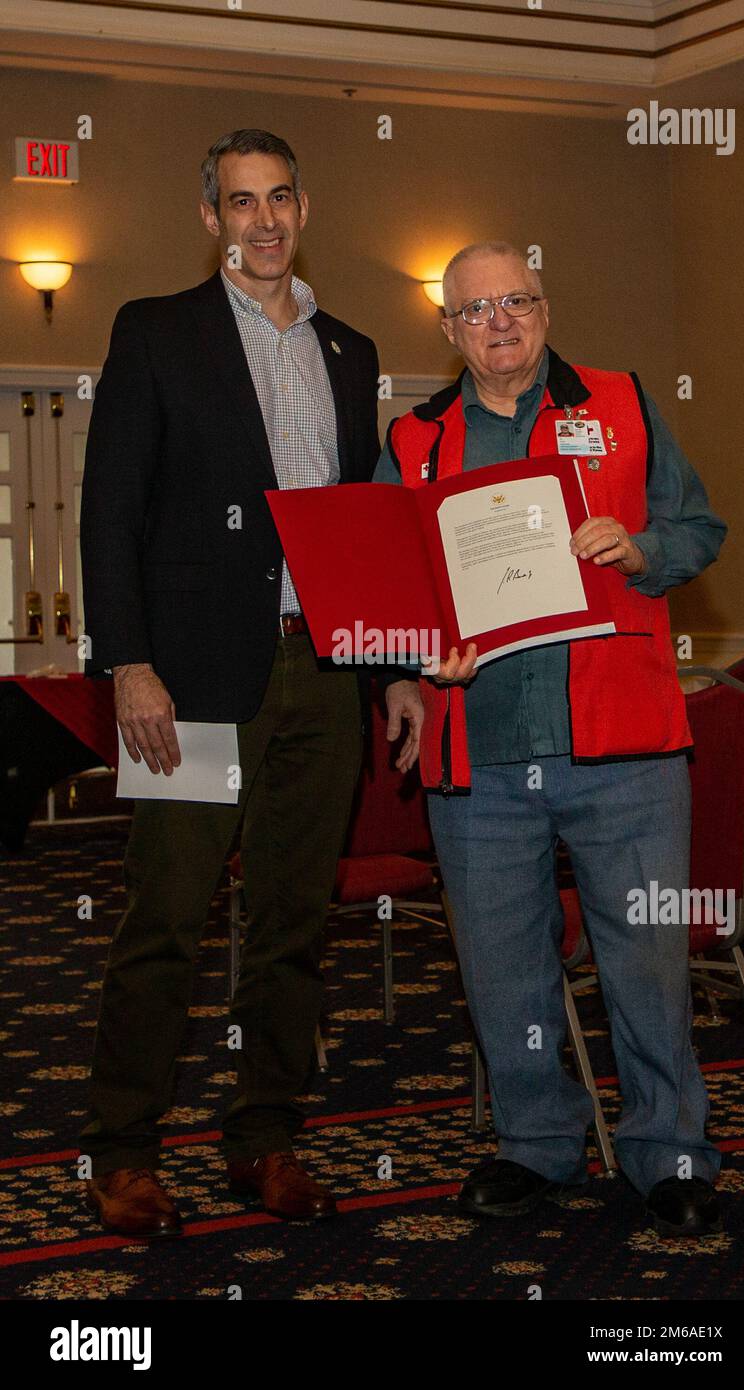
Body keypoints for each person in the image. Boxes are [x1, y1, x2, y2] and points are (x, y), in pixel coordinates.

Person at [375, 241, 728, 1236]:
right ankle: (536, 1146)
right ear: (447, 330)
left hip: (621, 742)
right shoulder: (414, 440)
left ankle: (669, 1153)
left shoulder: (619, 400)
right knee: (501, 964)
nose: (499, 321)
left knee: (646, 956)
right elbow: (383, 584)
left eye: (517, 300)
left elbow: (701, 528)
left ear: (543, 306)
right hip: (474, 749)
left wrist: (645, 547)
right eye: (476, 309)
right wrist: (406, 654)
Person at [79, 129, 380, 1236]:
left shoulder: (351, 350)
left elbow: (362, 531)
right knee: (164, 921)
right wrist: (128, 663)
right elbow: (109, 510)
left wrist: (387, 666)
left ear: (305, 207)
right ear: (211, 217)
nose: (264, 220)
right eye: (241, 202)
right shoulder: (156, 332)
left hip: (324, 676)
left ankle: (264, 1139)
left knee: (294, 922)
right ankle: (123, 1151)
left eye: (281, 197)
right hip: (188, 687)